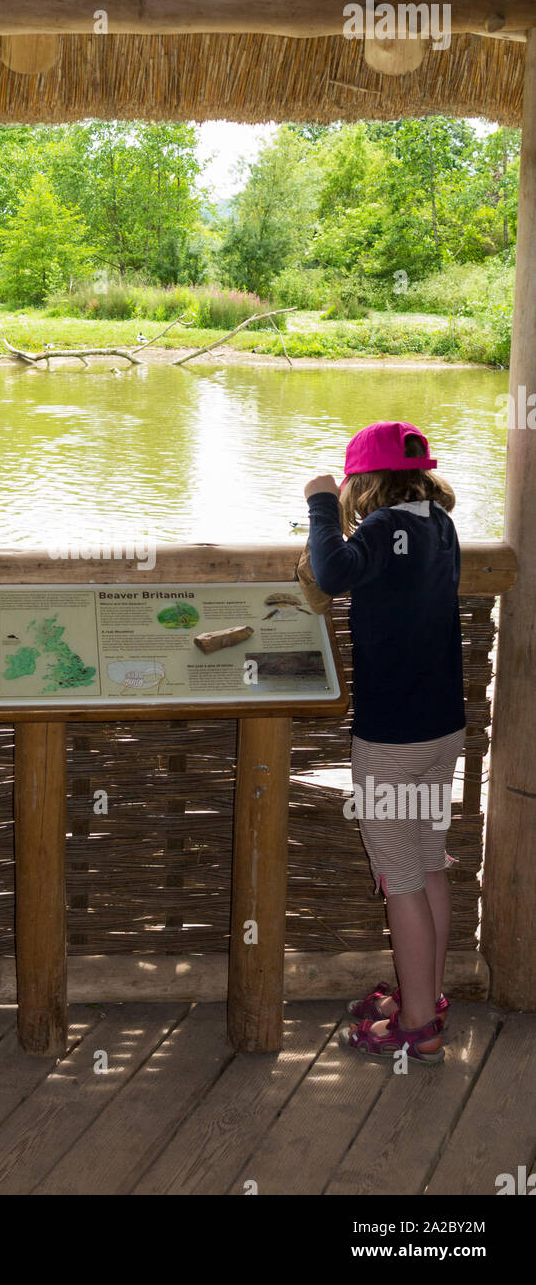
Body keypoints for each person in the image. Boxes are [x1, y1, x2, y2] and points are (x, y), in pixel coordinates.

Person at [304, 421, 466, 1065]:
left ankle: (419, 1027)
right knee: (428, 863)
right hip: (442, 730)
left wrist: (318, 502)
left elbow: (329, 569)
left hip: (390, 738)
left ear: (363, 483)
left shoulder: (372, 531)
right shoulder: (442, 528)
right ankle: (425, 994)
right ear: (422, 475)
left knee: (399, 878)